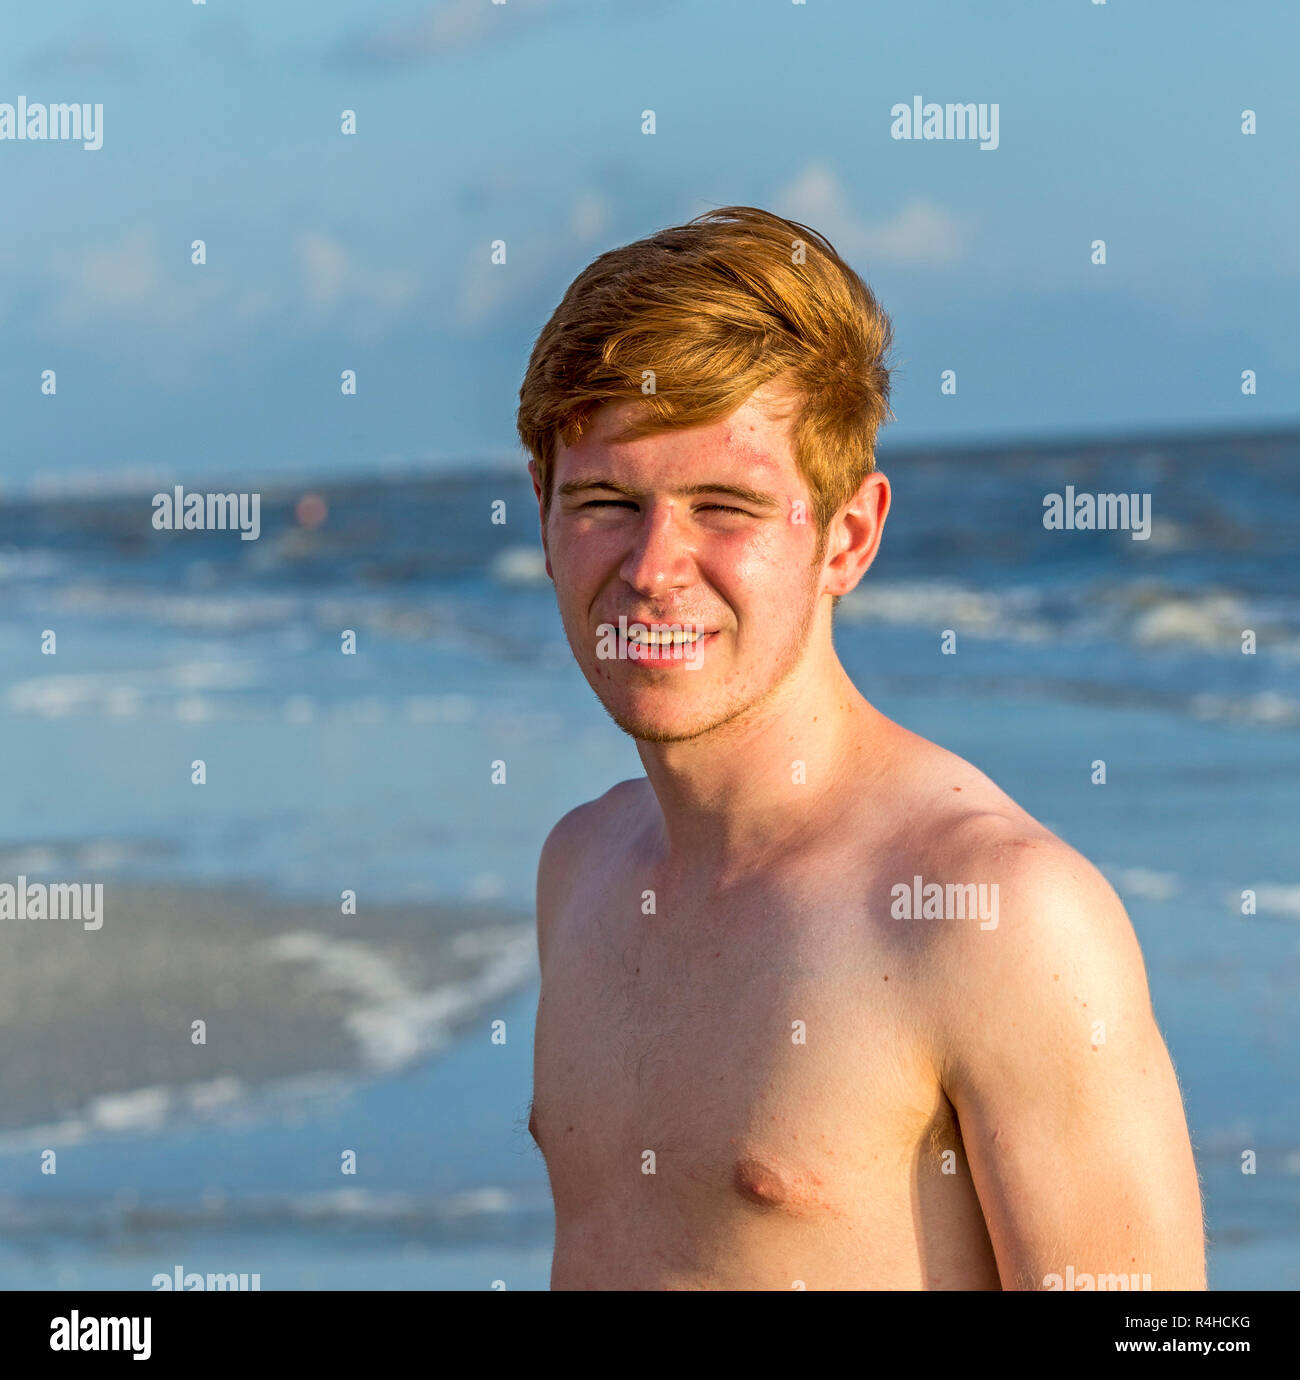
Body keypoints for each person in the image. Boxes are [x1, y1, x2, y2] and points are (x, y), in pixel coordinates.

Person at [515, 205, 1206, 1290]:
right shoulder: (584, 868)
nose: (653, 565)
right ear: (543, 519)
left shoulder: (996, 915)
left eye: (723, 506)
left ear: (849, 537)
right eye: (605, 500)